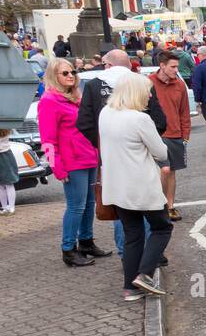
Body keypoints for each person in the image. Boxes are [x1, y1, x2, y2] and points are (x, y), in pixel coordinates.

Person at [76, 50, 168, 256]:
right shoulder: (141, 83)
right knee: (146, 201)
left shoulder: (93, 85)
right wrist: (147, 141)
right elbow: (160, 121)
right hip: (141, 155)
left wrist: (104, 144)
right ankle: (149, 252)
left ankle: (128, 252)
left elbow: (84, 122)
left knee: (122, 204)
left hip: (110, 157)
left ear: (107, 64)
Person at [98, 72, 174, 301]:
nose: (149, 97)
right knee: (162, 228)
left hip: (117, 185)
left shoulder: (105, 113)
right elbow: (161, 152)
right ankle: (145, 274)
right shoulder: (139, 119)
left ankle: (130, 289)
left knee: (133, 235)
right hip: (141, 185)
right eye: (147, 93)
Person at [38, 58, 103, 266]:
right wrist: (58, 167)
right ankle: (68, 249)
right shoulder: (49, 101)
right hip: (72, 162)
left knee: (89, 204)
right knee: (76, 206)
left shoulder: (76, 97)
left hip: (89, 158)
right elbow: (47, 140)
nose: (70, 76)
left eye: (72, 72)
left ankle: (86, 242)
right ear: (53, 76)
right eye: (64, 73)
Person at [148, 51, 192, 221]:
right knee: (160, 171)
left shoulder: (179, 85)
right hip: (154, 134)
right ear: (162, 66)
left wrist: (185, 135)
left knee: (171, 171)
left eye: (177, 66)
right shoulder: (148, 82)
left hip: (175, 134)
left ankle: (170, 206)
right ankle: (158, 206)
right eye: (173, 66)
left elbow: (184, 112)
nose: (176, 69)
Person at [0, 129, 18, 215]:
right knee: (4, 184)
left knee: (6, 184)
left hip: (3, 156)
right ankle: (8, 207)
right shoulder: (6, 127)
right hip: (6, 155)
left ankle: (10, 207)